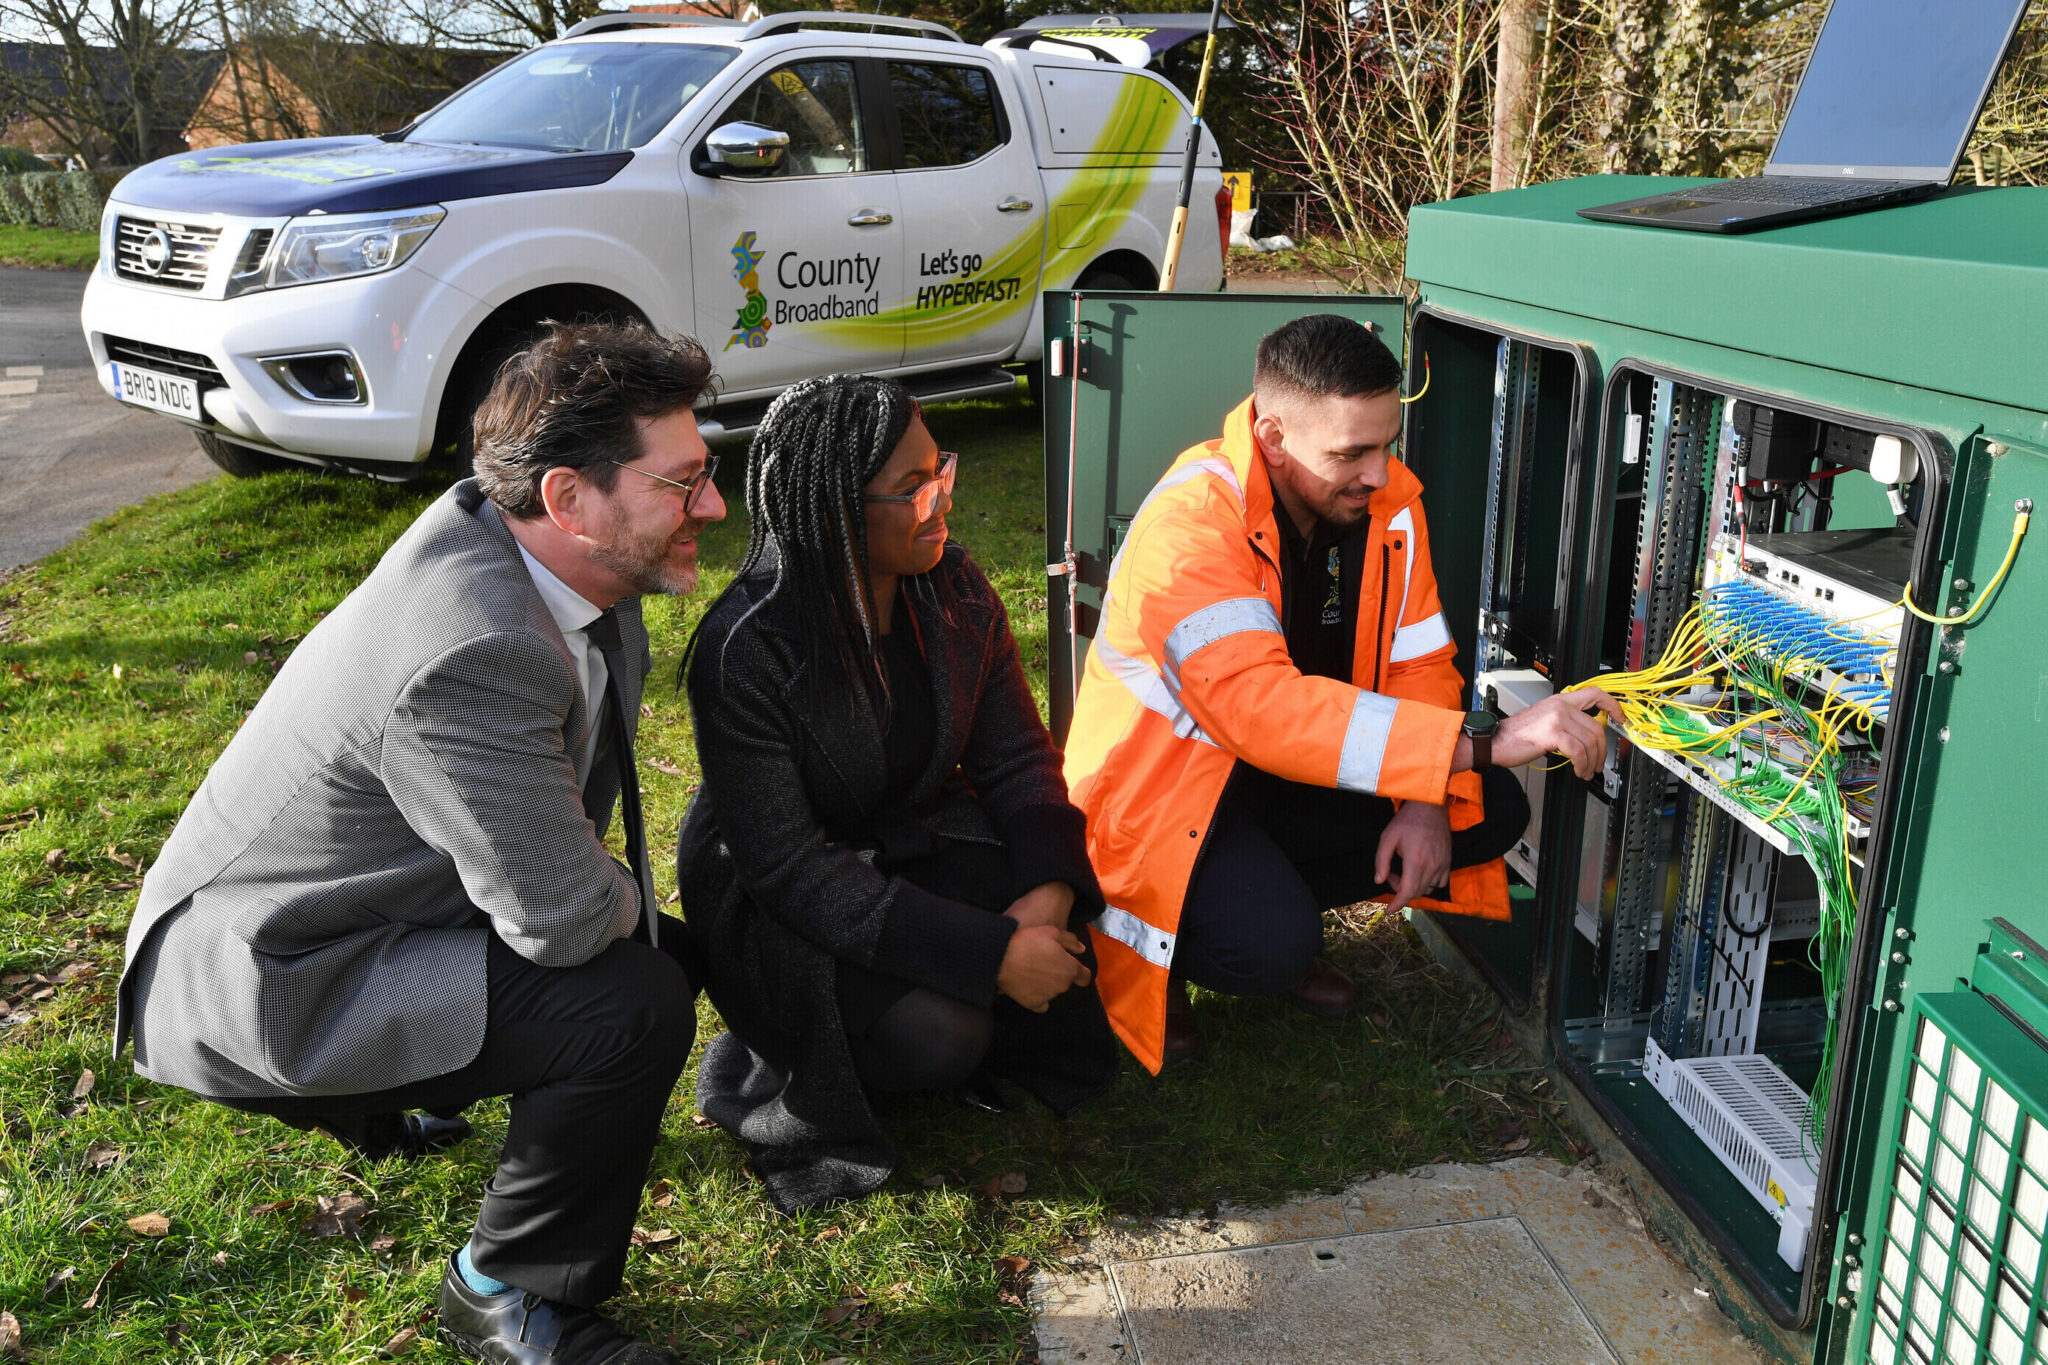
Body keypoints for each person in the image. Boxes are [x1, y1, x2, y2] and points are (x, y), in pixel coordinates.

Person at [114, 322, 724, 1365]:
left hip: (355, 916)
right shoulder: (476, 643)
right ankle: (510, 1293)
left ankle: (406, 1094)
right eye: (683, 484)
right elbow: (565, 921)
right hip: (269, 976)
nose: (711, 506)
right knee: (632, 998)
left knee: (650, 950)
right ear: (570, 499)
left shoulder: (552, 559)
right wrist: (627, 908)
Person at [1062, 314, 1619, 1070]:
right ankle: (1155, 951)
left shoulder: (1388, 506)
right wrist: (1483, 741)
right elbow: (1261, 708)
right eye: (1351, 452)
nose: (1379, 472)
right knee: (1271, 944)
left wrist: (1424, 801)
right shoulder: (1189, 527)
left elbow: (1420, 663)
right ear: (1272, 438)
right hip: (1167, 800)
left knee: (1486, 808)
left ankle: (1271, 909)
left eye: (1386, 442)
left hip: (1286, 771)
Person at [677, 374, 1118, 1214]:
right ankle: (785, 1054)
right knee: (946, 1037)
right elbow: (792, 867)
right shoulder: (747, 648)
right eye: (910, 487)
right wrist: (992, 954)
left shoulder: (952, 589)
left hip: (913, 833)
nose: (940, 499)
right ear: (835, 511)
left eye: (938, 470)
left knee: (1070, 943)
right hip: (777, 896)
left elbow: (1020, 760)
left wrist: (1043, 902)